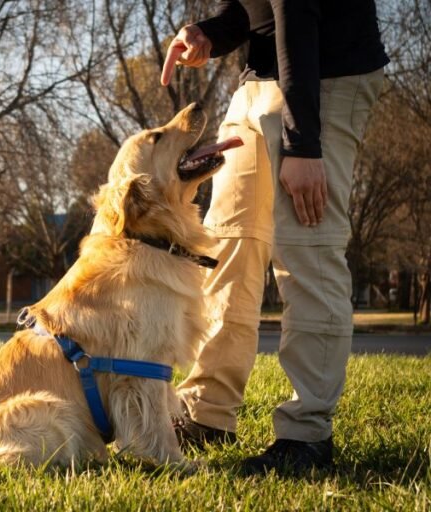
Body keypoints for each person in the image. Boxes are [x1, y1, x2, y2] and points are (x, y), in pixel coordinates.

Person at [160, 0, 388, 475]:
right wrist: (209, 34)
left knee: (307, 250)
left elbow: (298, 7)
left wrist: (303, 144)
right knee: (227, 244)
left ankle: (306, 435)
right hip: (258, 81)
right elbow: (250, 10)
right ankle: (207, 412)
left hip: (323, 78)